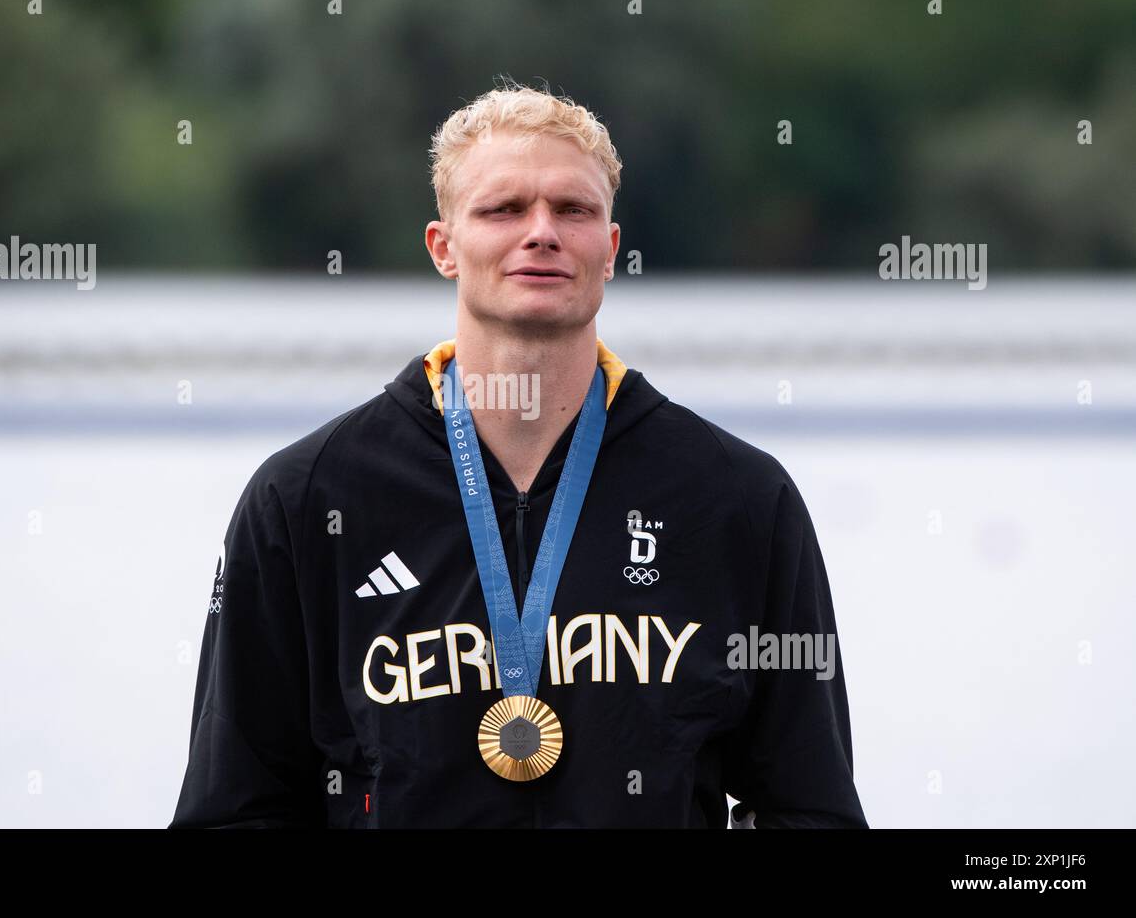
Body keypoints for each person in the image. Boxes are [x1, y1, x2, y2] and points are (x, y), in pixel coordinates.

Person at [169, 80, 867, 828]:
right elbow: (235, 808)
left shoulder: (737, 498)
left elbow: (809, 808)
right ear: (444, 247)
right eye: (503, 209)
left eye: (574, 210)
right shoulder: (308, 497)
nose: (542, 232)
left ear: (610, 249)